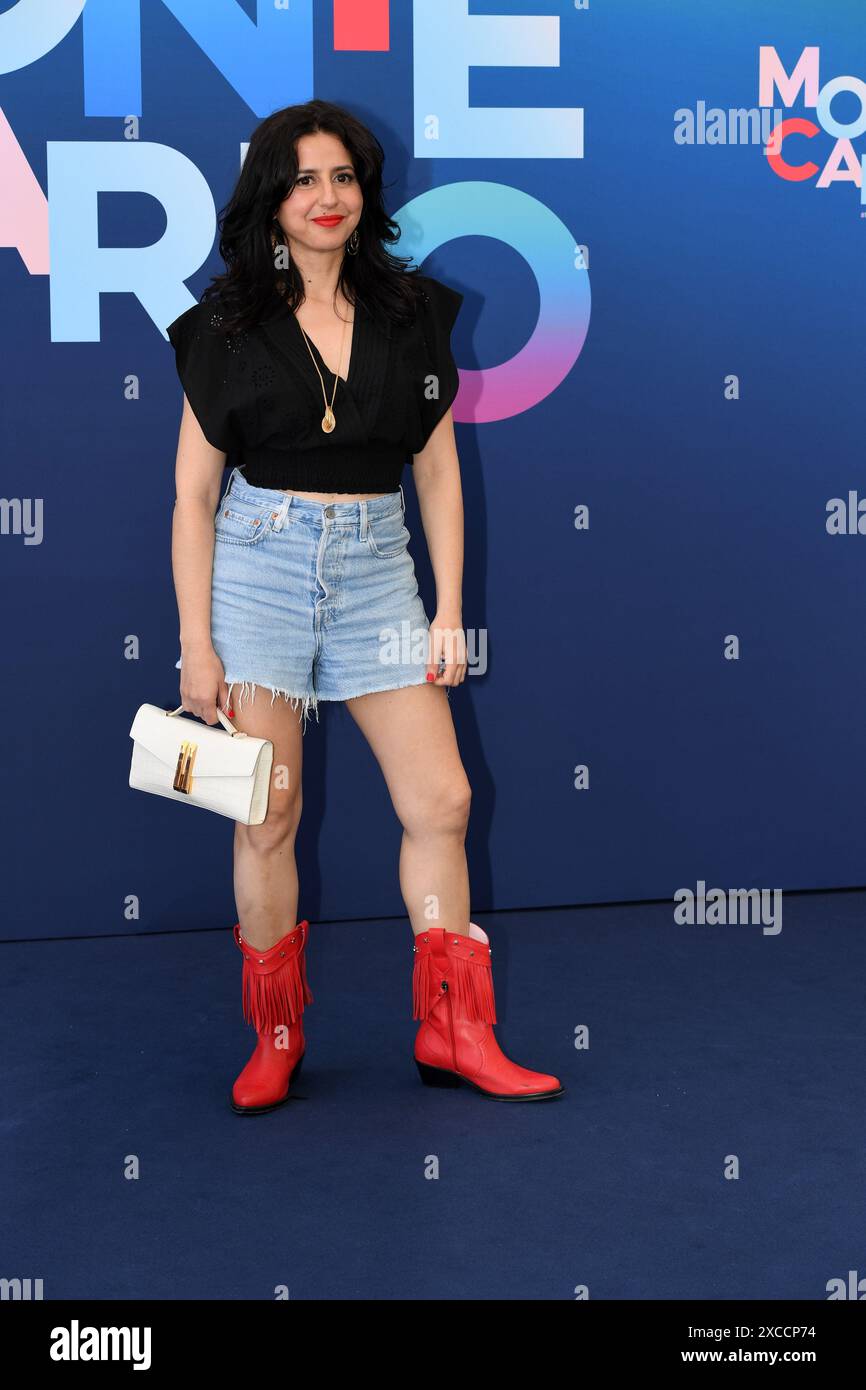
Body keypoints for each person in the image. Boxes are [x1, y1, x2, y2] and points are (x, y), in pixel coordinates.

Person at [166, 99, 563, 1114]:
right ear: (271, 202)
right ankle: (277, 1034)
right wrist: (195, 646)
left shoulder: (410, 312)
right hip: (256, 567)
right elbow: (193, 496)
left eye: (341, 176)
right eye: (301, 179)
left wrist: (443, 611)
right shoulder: (226, 325)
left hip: (379, 571)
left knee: (442, 801)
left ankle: (453, 1026)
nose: (325, 196)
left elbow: (435, 475)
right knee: (267, 819)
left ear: (363, 191)